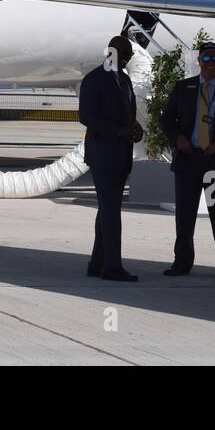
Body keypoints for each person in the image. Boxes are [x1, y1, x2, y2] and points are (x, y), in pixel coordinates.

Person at [159, 41, 215, 277]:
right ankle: (182, 263)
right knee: (185, 216)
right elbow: (166, 120)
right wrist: (177, 138)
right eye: (207, 59)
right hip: (189, 159)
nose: (212, 64)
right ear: (199, 61)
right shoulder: (183, 88)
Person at [79, 34, 143, 282]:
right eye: (125, 55)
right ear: (112, 52)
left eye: (130, 56)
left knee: (107, 210)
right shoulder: (95, 79)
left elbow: (126, 112)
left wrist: (135, 128)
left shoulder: (123, 80)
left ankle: (98, 262)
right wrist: (118, 131)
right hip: (103, 155)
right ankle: (112, 266)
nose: (127, 59)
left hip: (120, 154)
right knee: (111, 211)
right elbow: (86, 116)